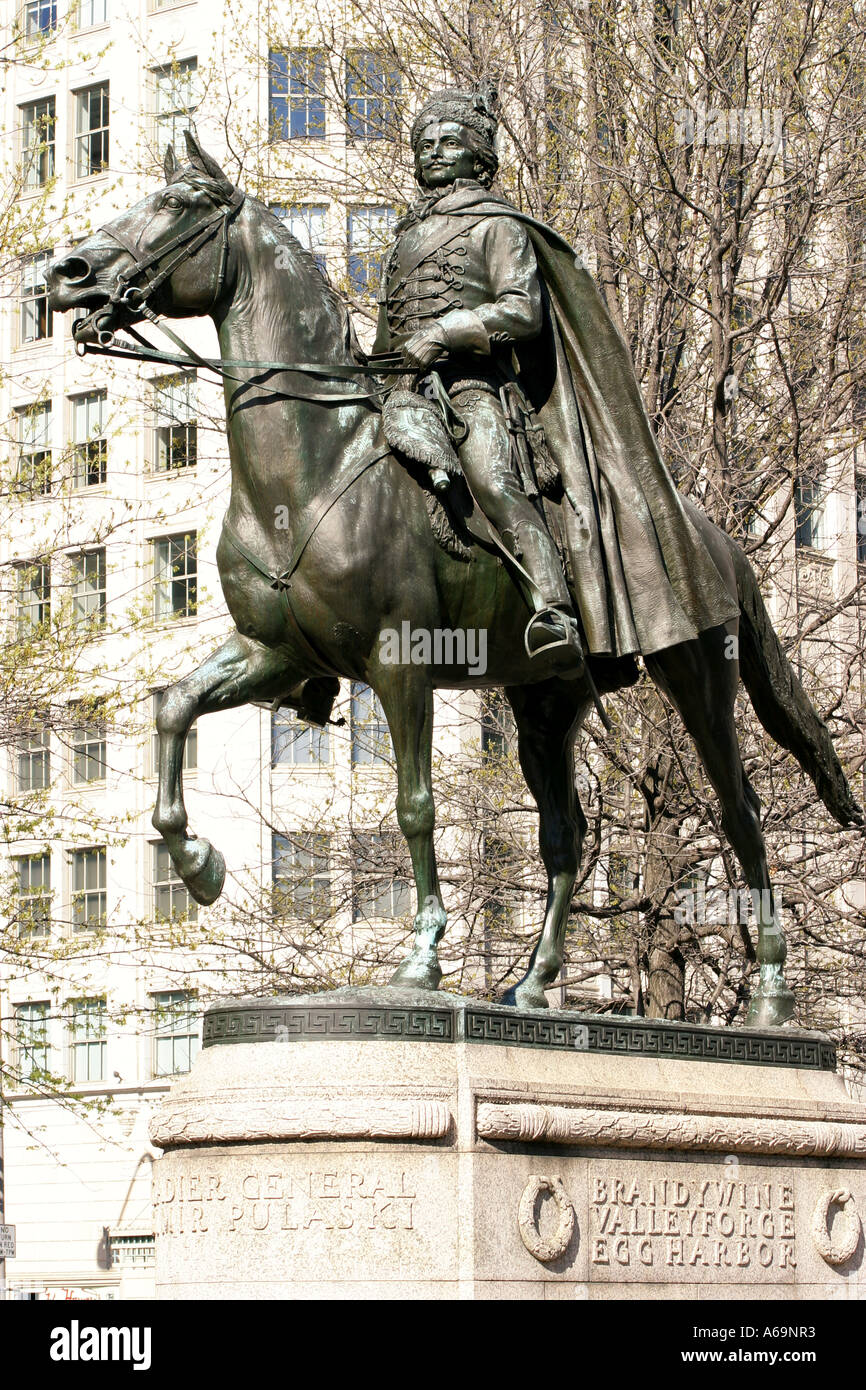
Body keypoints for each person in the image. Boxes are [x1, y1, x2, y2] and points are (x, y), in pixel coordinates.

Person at [374, 87, 739, 667]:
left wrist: (445, 334)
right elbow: (389, 336)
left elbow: (522, 311)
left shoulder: (496, 226)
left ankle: (554, 609)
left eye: (449, 142)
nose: (434, 153)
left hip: (475, 389)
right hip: (402, 393)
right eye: (424, 144)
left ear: (478, 156)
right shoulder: (402, 240)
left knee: (492, 479)